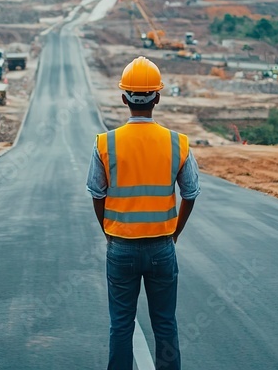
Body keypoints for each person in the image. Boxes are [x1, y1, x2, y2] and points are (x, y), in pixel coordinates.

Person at [87, 56, 200, 370]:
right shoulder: (177, 143)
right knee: (165, 324)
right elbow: (190, 193)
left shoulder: (105, 143)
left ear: (124, 98)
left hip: (120, 246)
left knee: (121, 325)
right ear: (158, 98)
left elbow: (97, 193)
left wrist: (109, 230)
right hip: (163, 247)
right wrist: (174, 232)